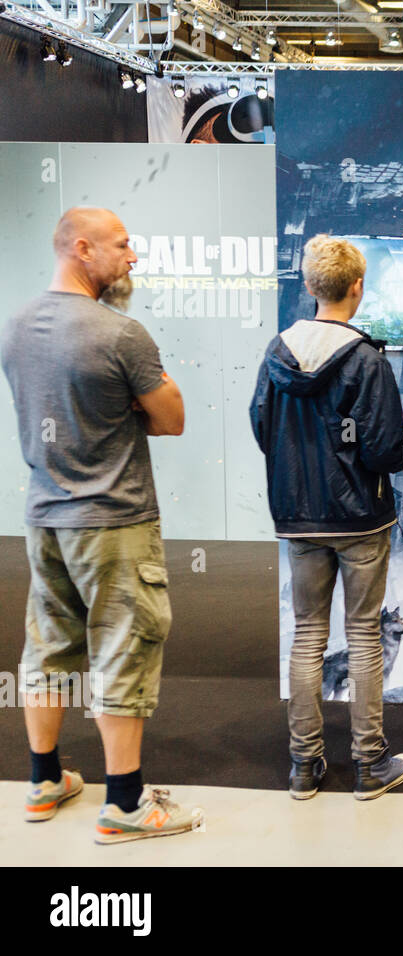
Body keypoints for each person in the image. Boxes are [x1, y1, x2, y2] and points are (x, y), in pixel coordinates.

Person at [1, 207, 198, 844]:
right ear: (82, 249)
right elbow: (171, 419)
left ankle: (43, 781)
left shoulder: (16, 327)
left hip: (45, 516)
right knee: (123, 648)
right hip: (114, 519)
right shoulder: (122, 334)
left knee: (48, 648)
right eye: (122, 245)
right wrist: (132, 408)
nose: (132, 256)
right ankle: (125, 804)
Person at [250, 234, 403, 801]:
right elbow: (386, 451)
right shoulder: (366, 360)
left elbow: (261, 429)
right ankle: (369, 765)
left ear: (309, 286)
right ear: (358, 287)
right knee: (365, 635)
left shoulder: (277, 353)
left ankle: (303, 768)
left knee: (307, 637)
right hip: (361, 518)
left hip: (298, 518)